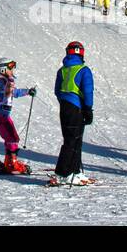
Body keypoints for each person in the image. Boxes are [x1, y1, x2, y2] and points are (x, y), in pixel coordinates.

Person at [51, 40, 94, 186]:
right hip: (77, 107)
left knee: (75, 139)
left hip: (65, 107)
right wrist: (88, 109)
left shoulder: (62, 70)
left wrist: (65, 101)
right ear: (81, 53)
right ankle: (63, 173)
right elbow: (88, 91)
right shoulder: (83, 70)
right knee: (71, 141)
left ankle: (75, 170)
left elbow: (57, 90)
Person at [0, 59, 36, 174]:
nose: (13, 69)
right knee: (12, 138)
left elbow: (14, 92)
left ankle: (9, 162)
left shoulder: (8, 80)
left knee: (11, 138)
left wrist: (28, 91)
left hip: (3, 114)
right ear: (3, 69)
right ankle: (12, 164)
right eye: (11, 67)